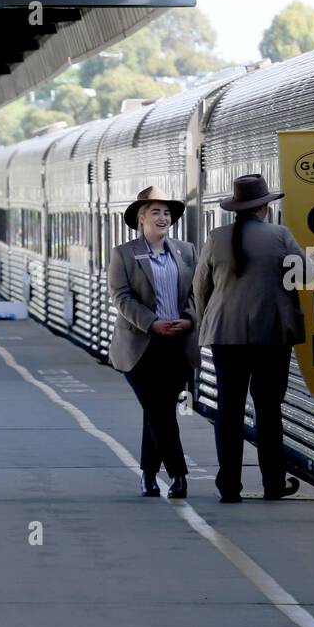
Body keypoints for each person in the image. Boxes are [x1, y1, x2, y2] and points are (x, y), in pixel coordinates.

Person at [193, 174, 305, 503]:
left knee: (229, 409)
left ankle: (229, 486)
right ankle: (273, 484)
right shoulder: (280, 236)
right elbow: (308, 273)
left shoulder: (216, 238)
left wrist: (206, 322)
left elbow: (201, 289)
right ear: (264, 208)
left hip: (225, 337)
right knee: (268, 409)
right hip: (271, 336)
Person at [108, 186, 200, 499]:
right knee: (160, 410)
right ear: (141, 217)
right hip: (139, 346)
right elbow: (121, 298)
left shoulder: (186, 251)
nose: (163, 218)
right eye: (156, 212)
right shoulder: (124, 254)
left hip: (177, 344)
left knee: (156, 411)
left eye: (167, 212)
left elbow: (197, 293)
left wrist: (188, 319)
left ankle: (148, 476)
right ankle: (178, 475)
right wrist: (152, 322)